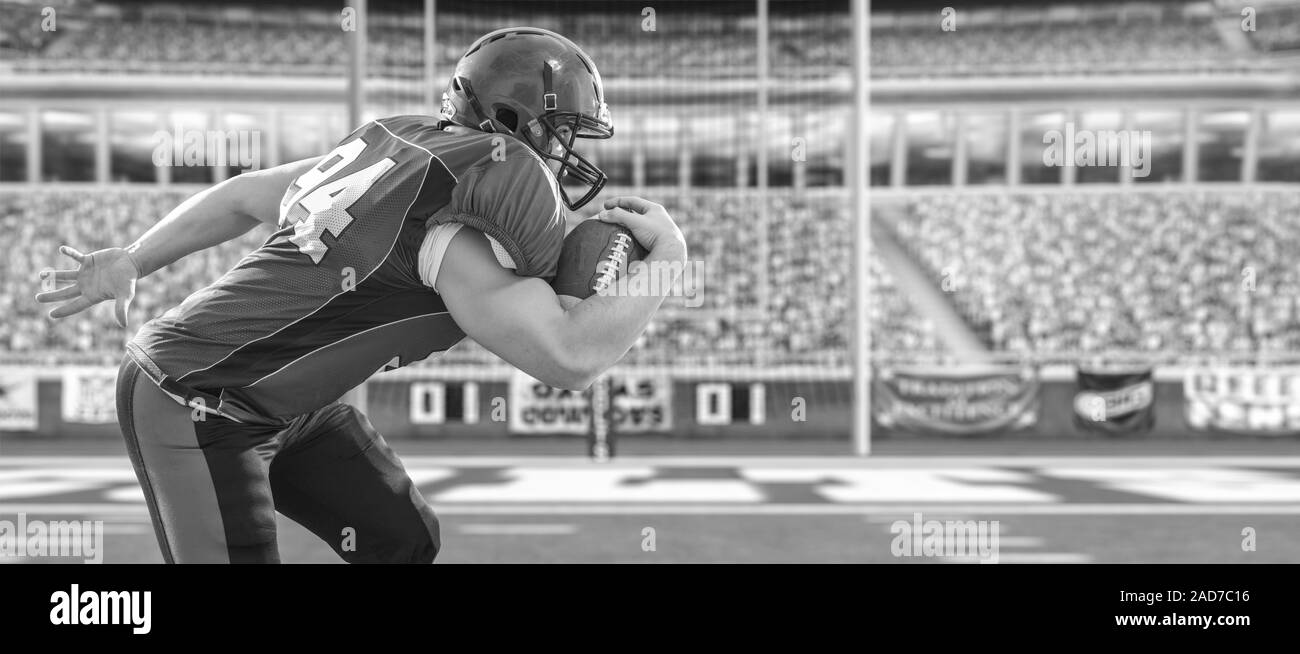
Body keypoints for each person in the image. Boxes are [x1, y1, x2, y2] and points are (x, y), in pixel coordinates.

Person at [35, 27, 686, 564]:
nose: (569, 155)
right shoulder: (456, 232)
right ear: (516, 120)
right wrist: (668, 263)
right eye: (564, 132)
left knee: (400, 541)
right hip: (196, 397)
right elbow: (569, 357)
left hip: (283, 403)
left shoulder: (404, 156)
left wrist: (134, 257)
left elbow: (242, 194)